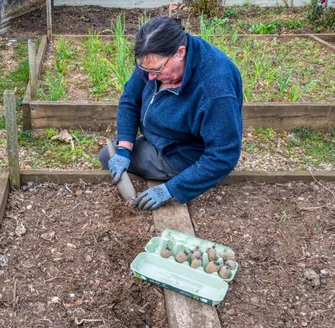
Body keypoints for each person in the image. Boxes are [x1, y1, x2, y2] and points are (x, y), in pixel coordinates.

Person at [99, 16, 243, 211]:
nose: (149, 77)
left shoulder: (215, 90)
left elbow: (224, 154)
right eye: (146, 69)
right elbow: (130, 99)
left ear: (180, 53)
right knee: (114, 156)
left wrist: (170, 189)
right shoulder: (157, 55)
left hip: (183, 153)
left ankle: (190, 175)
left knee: (106, 158)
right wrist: (124, 148)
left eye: (156, 71)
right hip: (161, 137)